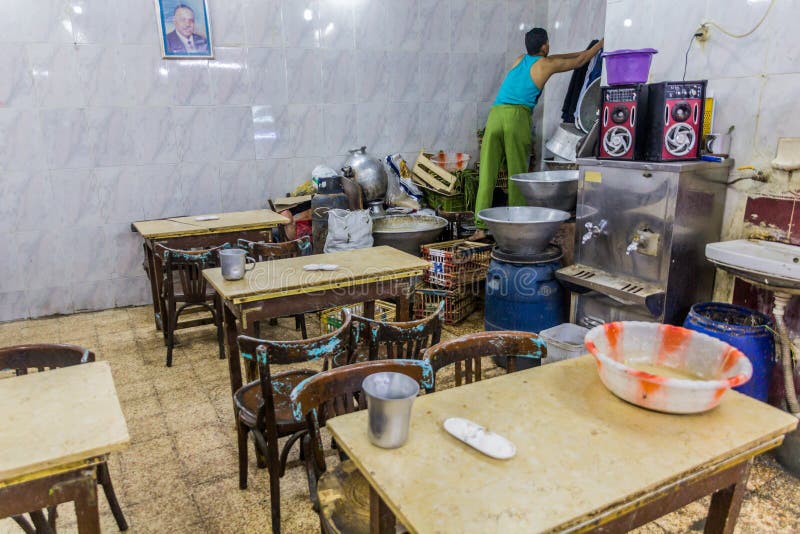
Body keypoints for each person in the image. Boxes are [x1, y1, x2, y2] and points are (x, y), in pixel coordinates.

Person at [470, 29, 603, 241]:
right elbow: (580, 61)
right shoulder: (546, 65)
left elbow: (565, 57)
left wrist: (584, 50)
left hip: (495, 116)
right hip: (516, 116)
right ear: (544, 46)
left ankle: (479, 228)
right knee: (517, 174)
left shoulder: (520, 59)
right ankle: (517, 226)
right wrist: (600, 45)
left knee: (487, 172)